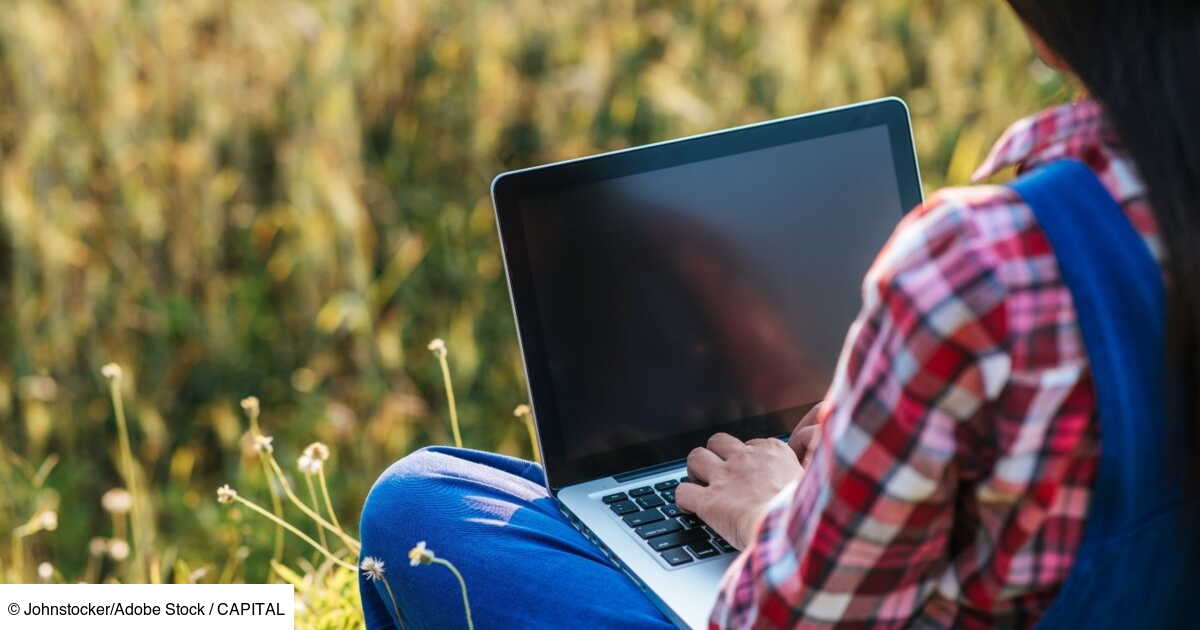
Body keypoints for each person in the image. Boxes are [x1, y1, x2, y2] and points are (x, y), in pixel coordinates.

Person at [357, 2, 1200, 628]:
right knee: (499, 493)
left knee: (422, 503)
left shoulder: (982, 264)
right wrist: (873, 451)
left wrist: (777, 512)